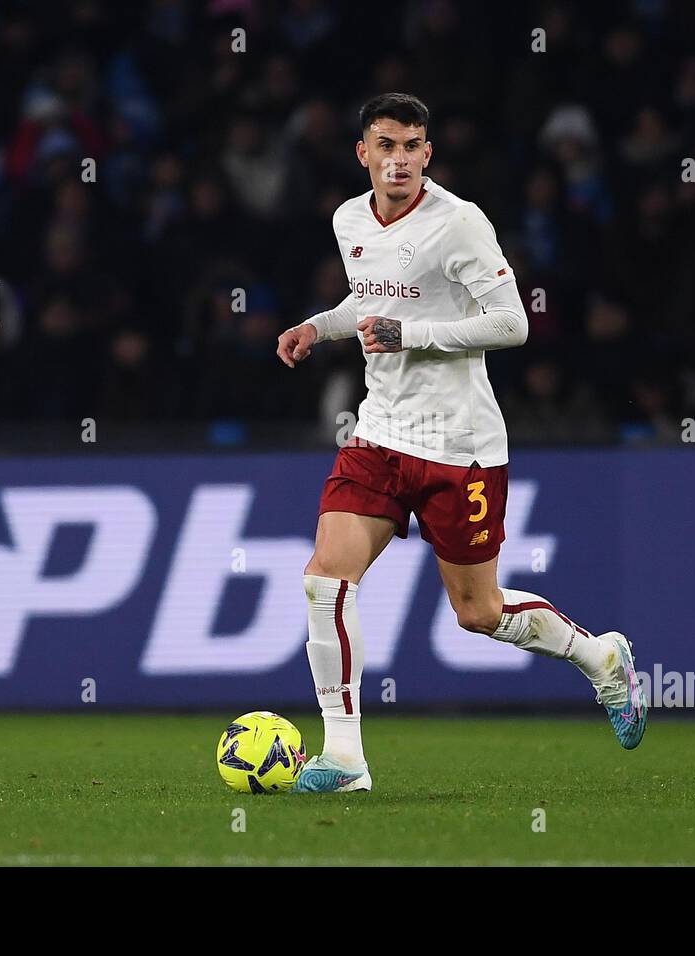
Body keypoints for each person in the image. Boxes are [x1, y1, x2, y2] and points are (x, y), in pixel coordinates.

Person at [275, 94, 647, 794]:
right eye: (384, 145)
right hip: (380, 433)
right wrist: (319, 326)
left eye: (411, 146)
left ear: (427, 154)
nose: (398, 159)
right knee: (326, 580)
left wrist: (410, 337)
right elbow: (374, 298)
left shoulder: (460, 223)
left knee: (478, 612)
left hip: (460, 445)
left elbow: (513, 324)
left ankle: (599, 658)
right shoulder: (347, 219)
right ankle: (345, 759)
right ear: (363, 153)